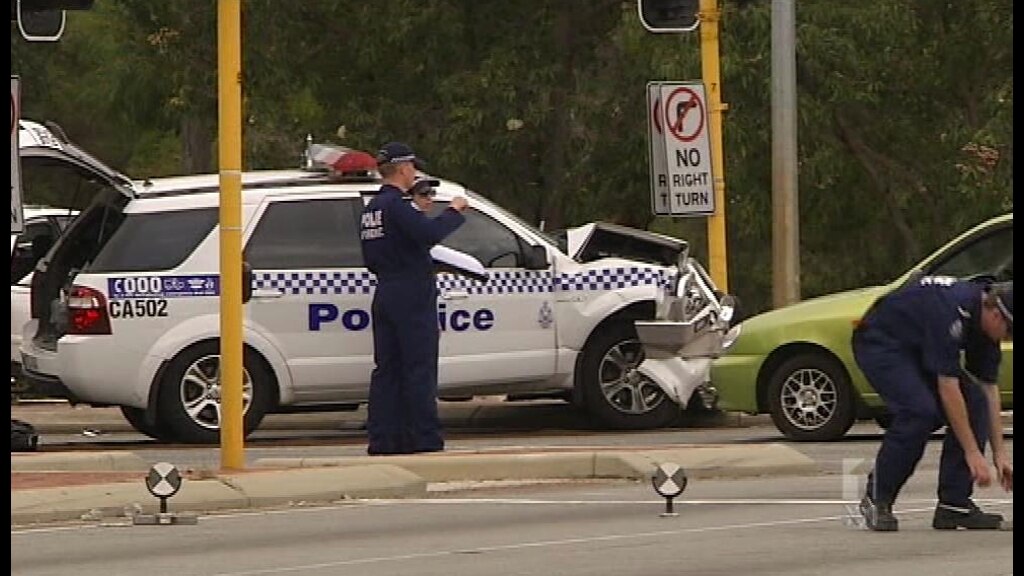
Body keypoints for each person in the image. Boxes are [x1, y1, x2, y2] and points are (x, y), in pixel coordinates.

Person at [853, 276, 1013, 531]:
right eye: (1010, 331)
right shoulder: (952, 311)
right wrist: (973, 453)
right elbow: (948, 387)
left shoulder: (985, 324)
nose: (1007, 339)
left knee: (976, 402)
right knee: (919, 412)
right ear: (996, 314)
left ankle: (954, 505)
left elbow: (988, 389)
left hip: (920, 346)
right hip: (882, 342)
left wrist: (1000, 454)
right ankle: (877, 497)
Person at [359, 142, 468, 455]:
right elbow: (429, 235)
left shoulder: (373, 209)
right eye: (412, 168)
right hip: (411, 293)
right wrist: (454, 211)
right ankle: (424, 439)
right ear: (404, 168)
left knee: (387, 370)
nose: (415, 173)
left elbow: (376, 254)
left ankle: (384, 439)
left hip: (386, 291)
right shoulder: (396, 206)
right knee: (419, 368)